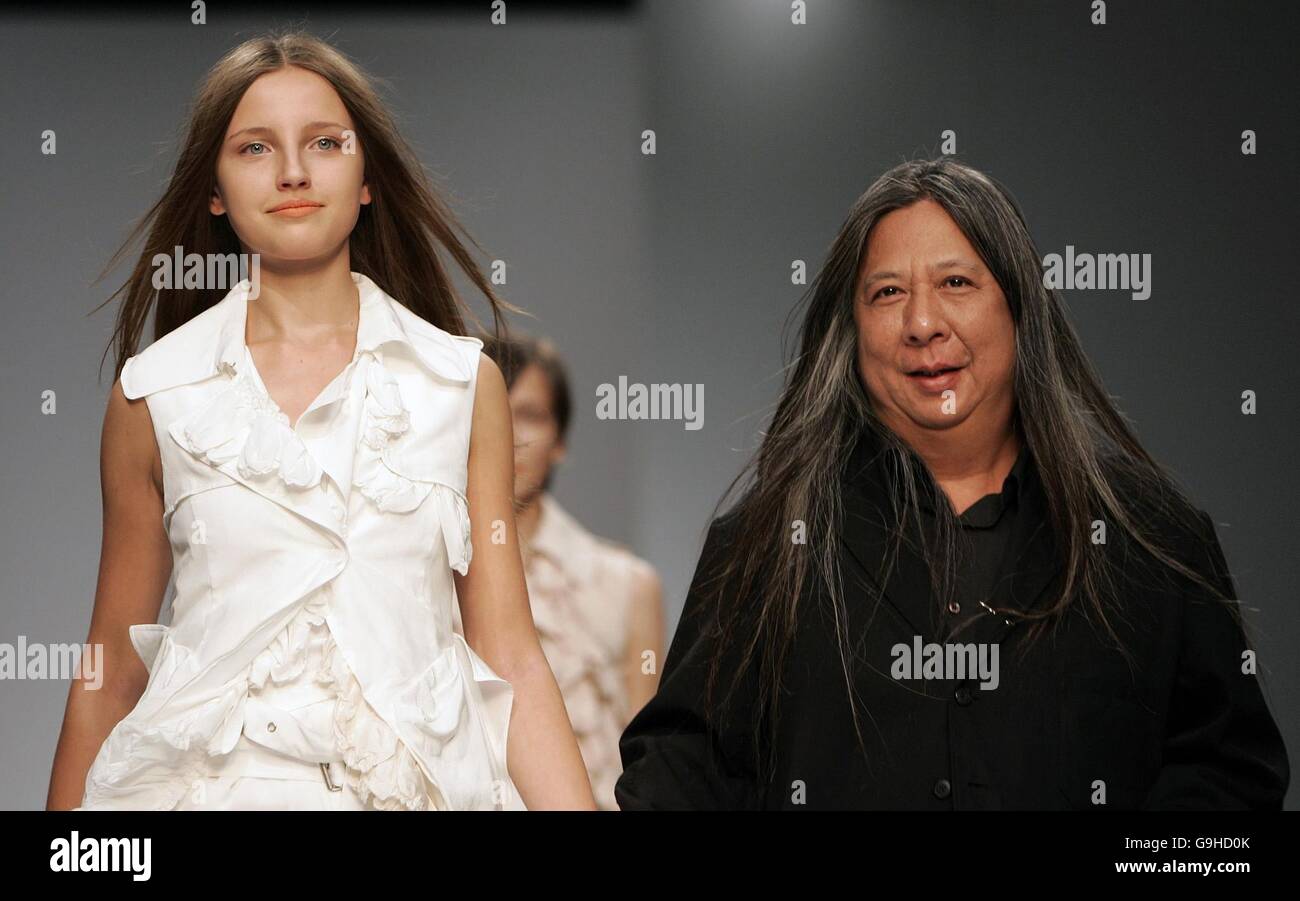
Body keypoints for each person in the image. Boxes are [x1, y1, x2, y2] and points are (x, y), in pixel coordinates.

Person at [616, 157, 1290, 810]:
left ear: (1019, 307)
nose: (921, 323)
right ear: (850, 331)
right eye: (887, 292)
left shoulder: (1151, 538)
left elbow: (1232, 774)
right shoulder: (765, 544)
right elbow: (683, 770)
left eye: (956, 284)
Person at [46, 30, 596, 811]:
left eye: (326, 143)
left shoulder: (457, 383)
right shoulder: (156, 395)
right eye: (255, 148)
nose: (294, 171)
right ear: (214, 188)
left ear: (366, 177)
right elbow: (111, 666)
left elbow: (509, 650)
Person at [473, 334, 665, 810]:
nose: (512, 433)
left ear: (560, 440)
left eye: (531, 415)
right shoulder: (428, 572)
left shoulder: (626, 585)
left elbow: (647, 755)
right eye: (497, 411)